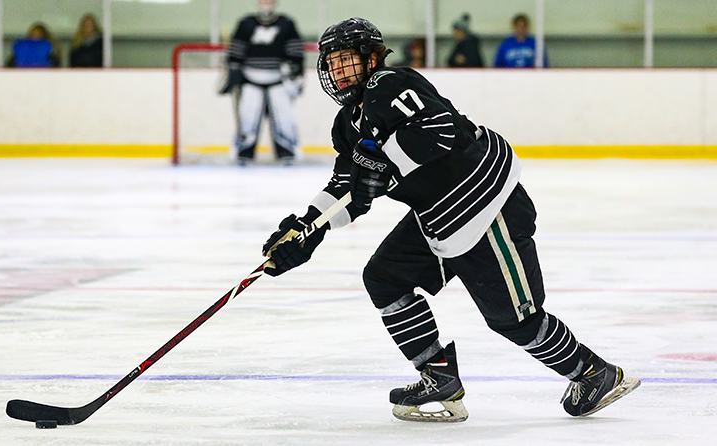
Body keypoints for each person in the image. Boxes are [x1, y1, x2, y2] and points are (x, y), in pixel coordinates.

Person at [262, 17, 639, 422]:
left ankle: (593, 373)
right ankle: (438, 374)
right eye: (331, 63)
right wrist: (307, 228)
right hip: (440, 216)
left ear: (371, 58)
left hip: (485, 204)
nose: (337, 70)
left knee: (515, 321)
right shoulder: (347, 125)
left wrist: (386, 164)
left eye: (345, 59)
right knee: (385, 277)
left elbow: (439, 129)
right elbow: (350, 186)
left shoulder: (388, 84)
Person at [219, 0, 304, 165]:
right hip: (251, 80)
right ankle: (243, 151)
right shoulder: (246, 23)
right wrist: (234, 74)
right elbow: (236, 51)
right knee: (247, 117)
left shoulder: (286, 23)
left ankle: (287, 151)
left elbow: (296, 52)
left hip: (278, 80)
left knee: (284, 118)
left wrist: (295, 74)